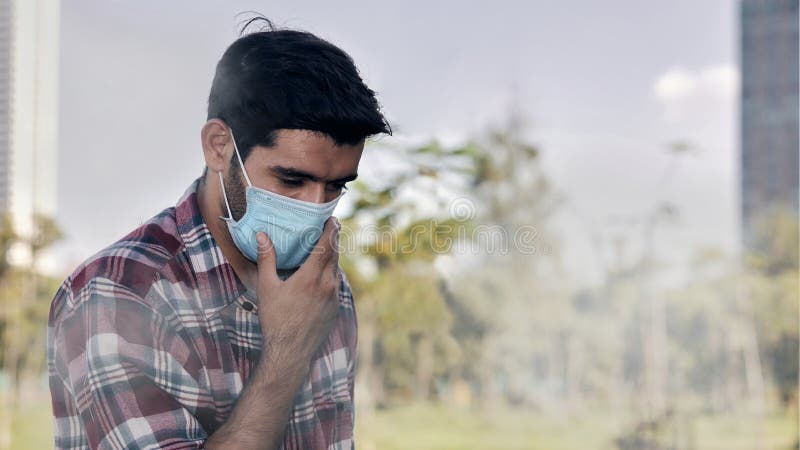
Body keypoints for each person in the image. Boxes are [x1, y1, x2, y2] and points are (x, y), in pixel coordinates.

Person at [47, 17, 390, 449]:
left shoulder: (324, 288)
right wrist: (288, 353)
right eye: (290, 180)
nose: (315, 208)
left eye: (337, 185)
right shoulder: (117, 296)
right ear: (218, 146)